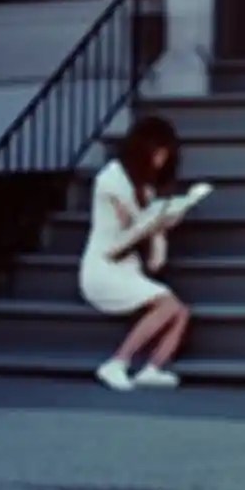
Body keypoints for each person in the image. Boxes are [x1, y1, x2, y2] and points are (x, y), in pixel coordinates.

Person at [79, 116, 191, 391]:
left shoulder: (146, 189)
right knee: (169, 304)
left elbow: (155, 264)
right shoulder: (111, 179)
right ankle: (117, 362)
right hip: (103, 268)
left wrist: (161, 229)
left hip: (126, 268)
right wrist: (152, 224)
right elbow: (120, 242)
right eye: (158, 152)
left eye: (166, 154)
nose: (162, 160)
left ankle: (152, 368)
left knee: (181, 312)